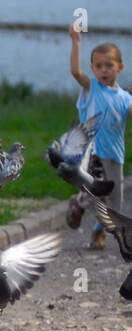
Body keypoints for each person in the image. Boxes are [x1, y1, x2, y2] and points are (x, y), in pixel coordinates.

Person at [67, 22, 130, 249]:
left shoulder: (124, 97)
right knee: (96, 193)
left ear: (120, 67)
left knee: (115, 203)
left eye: (109, 65)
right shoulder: (91, 88)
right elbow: (75, 72)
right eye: (99, 66)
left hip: (115, 156)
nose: (104, 70)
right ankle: (81, 206)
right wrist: (76, 41)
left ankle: (97, 230)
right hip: (92, 153)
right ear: (93, 69)